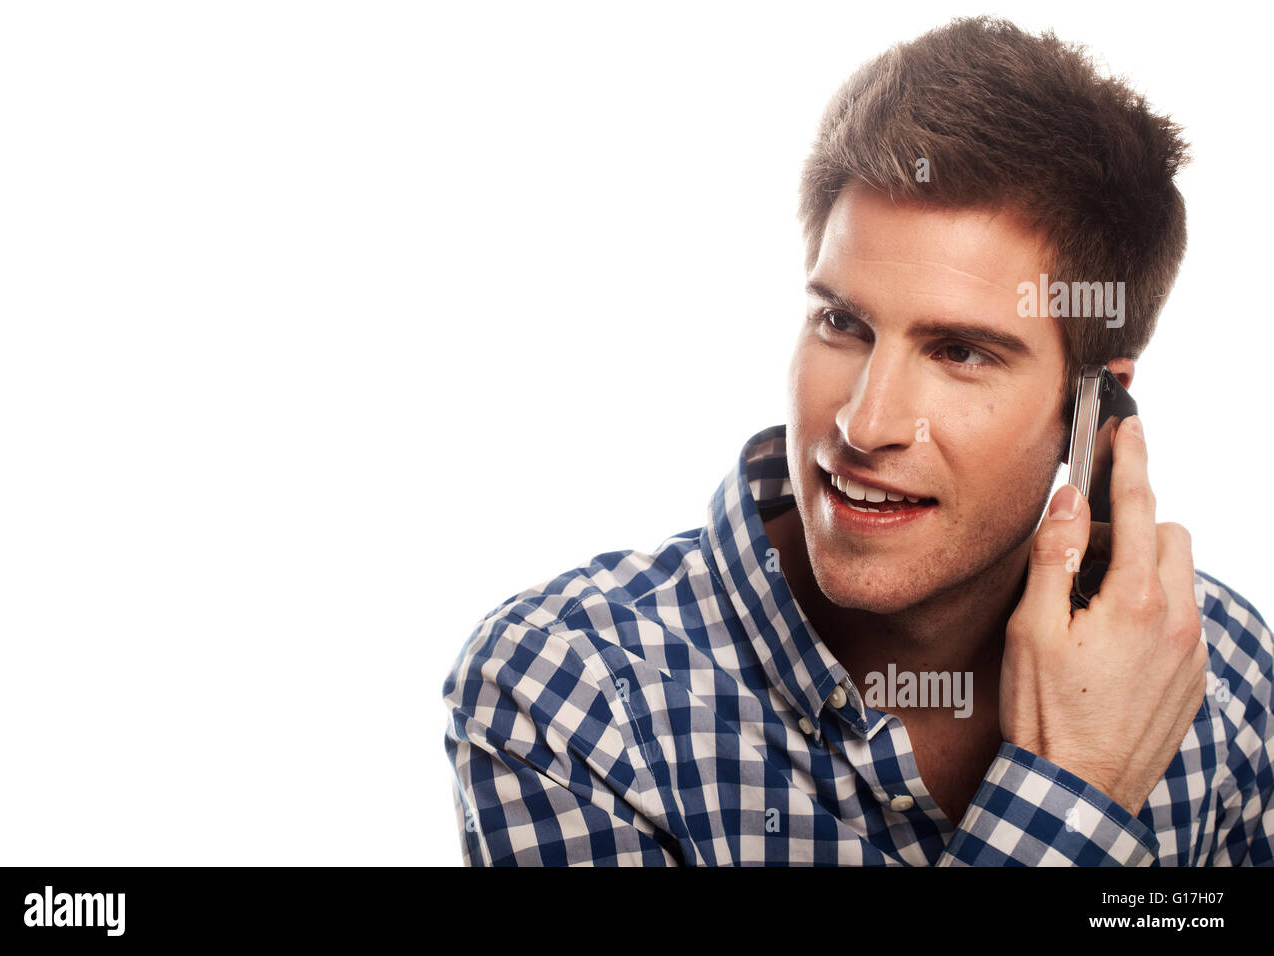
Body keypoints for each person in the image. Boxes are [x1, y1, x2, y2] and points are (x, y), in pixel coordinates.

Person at [440, 16, 1273, 865]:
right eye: (843, 323)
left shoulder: (1226, 670)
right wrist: (1079, 788)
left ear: (1097, 417)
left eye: (960, 353)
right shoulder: (568, 695)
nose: (864, 425)